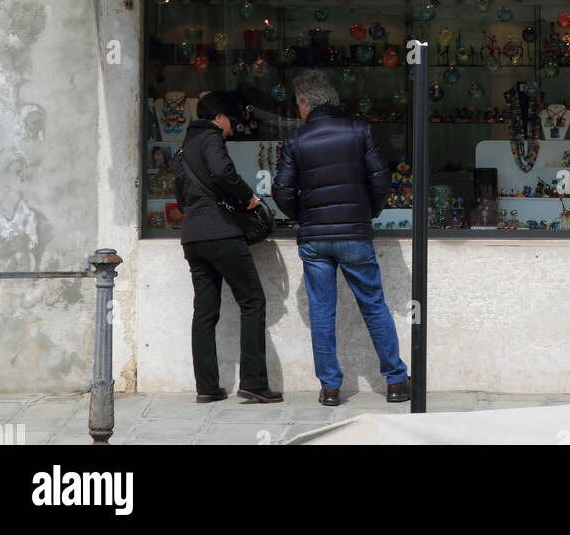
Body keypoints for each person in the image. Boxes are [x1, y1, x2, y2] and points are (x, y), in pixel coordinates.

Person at [272, 71, 410, 406]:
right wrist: (368, 213)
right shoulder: (360, 131)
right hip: (353, 234)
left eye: (298, 104)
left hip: (315, 238)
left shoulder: (296, 140)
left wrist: (303, 216)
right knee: (374, 306)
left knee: (321, 311)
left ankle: (330, 388)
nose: (298, 110)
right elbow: (381, 181)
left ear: (307, 103)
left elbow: (282, 191)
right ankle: (395, 382)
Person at [174, 90, 282, 404]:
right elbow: (223, 172)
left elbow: (181, 199)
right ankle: (254, 383)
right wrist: (247, 195)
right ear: (219, 116)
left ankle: (207, 387)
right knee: (253, 301)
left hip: (192, 237)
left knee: (205, 312)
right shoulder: (211, 139)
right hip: (220, 233)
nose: (233, 128)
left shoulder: (181, 151)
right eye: (232, 121)